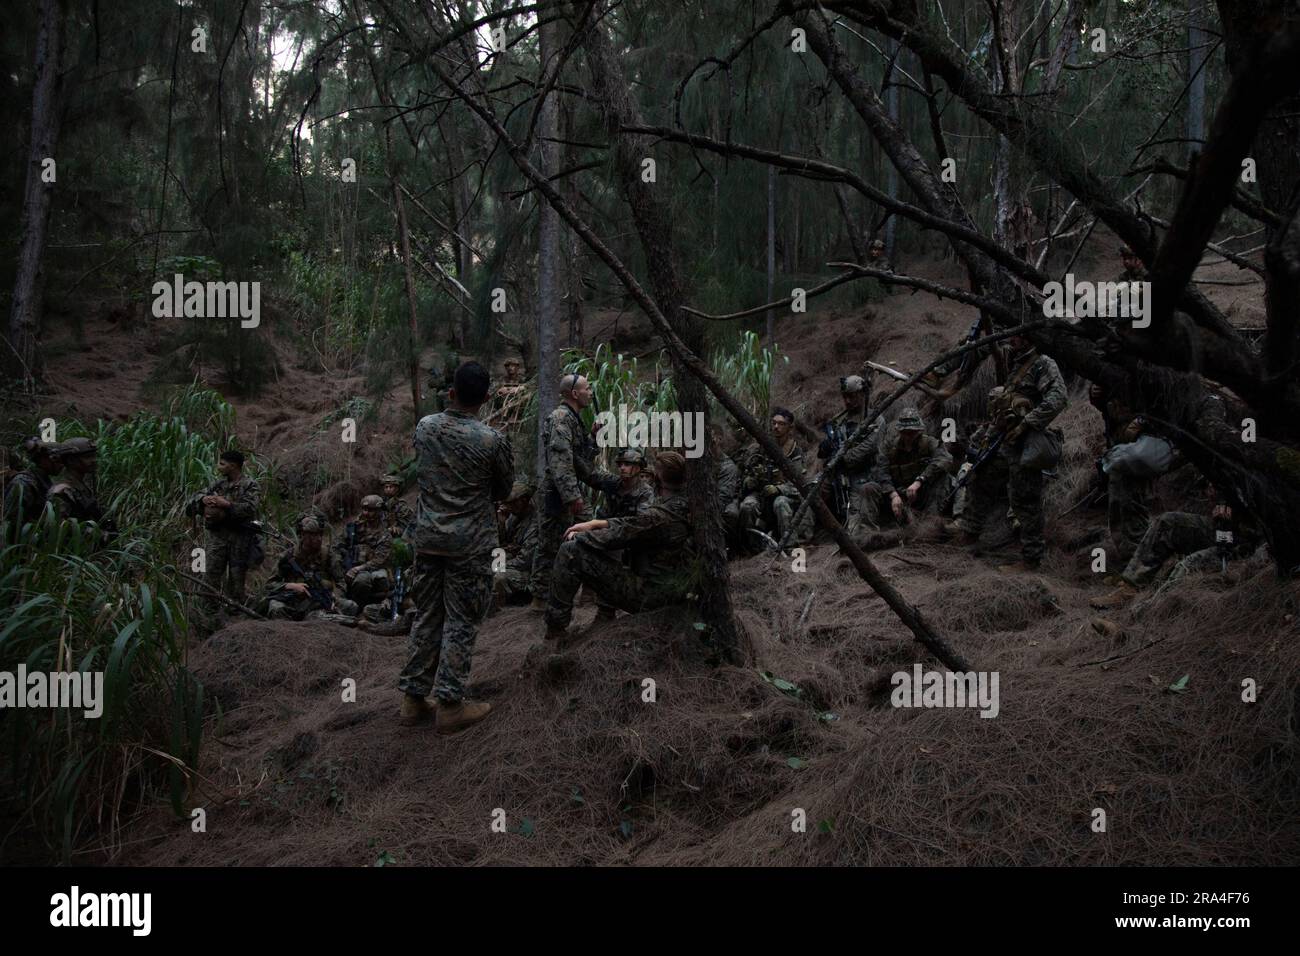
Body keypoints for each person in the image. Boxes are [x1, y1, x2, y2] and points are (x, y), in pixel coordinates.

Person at [398, 361, 513, 733]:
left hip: (428, 539)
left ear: (450, 393)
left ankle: (413, 698)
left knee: (428, 614)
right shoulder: (492, 440)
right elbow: (503, 491)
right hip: (470, 543)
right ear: (486, 398)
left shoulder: (425, 427)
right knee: (461, 620)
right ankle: (449, 703)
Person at [544, 451, 695, 647]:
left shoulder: (655, 508)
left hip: (652, 596)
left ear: (654, 477)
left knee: (571, 551)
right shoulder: (687, 504)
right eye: (621, 464)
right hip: (673, 590)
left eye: (628, 464)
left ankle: (555, 633)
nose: (623, 468)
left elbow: (629, 530)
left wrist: (584, 533)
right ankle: (603, 614)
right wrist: (597, 523)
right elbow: (634, 523)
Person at [952, 335, 1067, 572]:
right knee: (980, 476)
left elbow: (1058, 398)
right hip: (1006, 442)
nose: (1012, 340)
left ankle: (1031, 559)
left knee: (1025, 499)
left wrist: (1027, 423)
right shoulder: (1016, 365)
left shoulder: (1042, 364)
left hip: (1028, 444)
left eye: (1017, 335)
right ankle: (970, 532)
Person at [529, 373, 600, 610]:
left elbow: (580, 461)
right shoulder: (561, 418)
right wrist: (572, 496)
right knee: (549, 543)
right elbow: (560, 462)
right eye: (587, 388)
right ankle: (540, 599)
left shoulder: (572, 419)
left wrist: (592, 437)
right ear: (574, 393)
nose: (591, 392)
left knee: (591, 531)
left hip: (566, 490)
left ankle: (588, 591)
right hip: (557, 493)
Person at [851, 407, 951, 546]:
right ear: (900, 431)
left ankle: (930, 524)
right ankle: (868, 535)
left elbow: (945, 459)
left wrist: (919, 481)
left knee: (943, 477)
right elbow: (881, 472)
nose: (909, 436)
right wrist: (893, 494)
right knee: (869, 488)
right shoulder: (889, 447)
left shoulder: (929, 443)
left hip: (921, 496)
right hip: (896, 498)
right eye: (905, 432)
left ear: (919, 431)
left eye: (912, 432)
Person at [736, 406, 812, 551]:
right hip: (760, 494)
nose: (776, 427)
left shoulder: (794, 452)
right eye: (774, 423)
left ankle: (790, 547)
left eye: (781, 424)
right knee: (747, 506)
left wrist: (778, 489)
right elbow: (747, 473)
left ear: (789, 428)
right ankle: (752, 548)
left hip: (785, 496)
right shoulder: (761, 447)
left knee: (780, 503)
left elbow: (799, 485)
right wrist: (749, 481)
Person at [195, 449, 260, 606]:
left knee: (236, 579)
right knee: (210, 574)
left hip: (240, 539)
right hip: (217, 538)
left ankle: (235, 613)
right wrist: (204, 499)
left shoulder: (250, 485)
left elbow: (251, 508)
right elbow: (196, 497)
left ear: (233, 466)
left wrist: (228, 505)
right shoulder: (219, 484)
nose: (218, 467)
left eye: (222, 463)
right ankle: (208, 611)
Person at [259, 517, 357, 620]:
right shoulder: (288, 557)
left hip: (320, 600)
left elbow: (341, 582)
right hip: (294, 600)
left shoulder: (328, 555)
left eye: (320, 534)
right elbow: (269, 585)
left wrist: (334, 597)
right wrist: (290, 585)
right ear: (302, 535)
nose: (318, 538)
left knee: (350, 606)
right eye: (313, 535)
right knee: (276, 607)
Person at [819, 374, 877, 525]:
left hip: (863, 475)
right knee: (814, 492)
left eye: (851, 396)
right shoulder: (839, 420)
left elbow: (868, 447)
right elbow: (826, 450)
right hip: (837, 474)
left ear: (862, 394)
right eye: (845, 397)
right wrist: (825, 447)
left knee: (855, 518)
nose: (847, 401)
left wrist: (842, 458)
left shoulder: (874, 419)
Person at [335, 495, 393, 616]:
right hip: (347, 566)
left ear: (379, 511)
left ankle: (357, 610)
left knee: (363, 580)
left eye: (371, 510)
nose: (366, 513)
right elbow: (337, 546)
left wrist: (358, 569)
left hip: (367, 570)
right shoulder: (353, 528)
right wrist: (338, 562)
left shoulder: (384, 535)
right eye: (365, 510)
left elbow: (379, 560)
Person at [493, 481, 538, 607]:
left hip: (529, 573)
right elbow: (502, 544)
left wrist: (498, 567)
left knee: (498, 577)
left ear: (523, 500)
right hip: (514, 561)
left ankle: (497, 609)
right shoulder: (514, 516)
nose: (507, 506)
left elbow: (525, 561)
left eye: (511, 502)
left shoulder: (535, 522)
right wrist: (501, 522)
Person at [3, 437, 63, 531]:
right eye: (57, 460)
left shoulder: (44, 479)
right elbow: (11, 521)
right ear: (42, 460)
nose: (62, 464)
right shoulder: (23, 483)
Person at [48, 437, 106, 525]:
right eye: (88, 457)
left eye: (94, 456)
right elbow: (59, 526)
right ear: (71, 461)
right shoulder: (61, 491)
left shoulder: (81, 484)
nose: (94, 460)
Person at [380, 474, 415, 539]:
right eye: (386, 487)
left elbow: (407, 526)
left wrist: (394, 529)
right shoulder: (381, 503)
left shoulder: (401, 505)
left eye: (391, 487)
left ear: (397, 489)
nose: (388, 489)